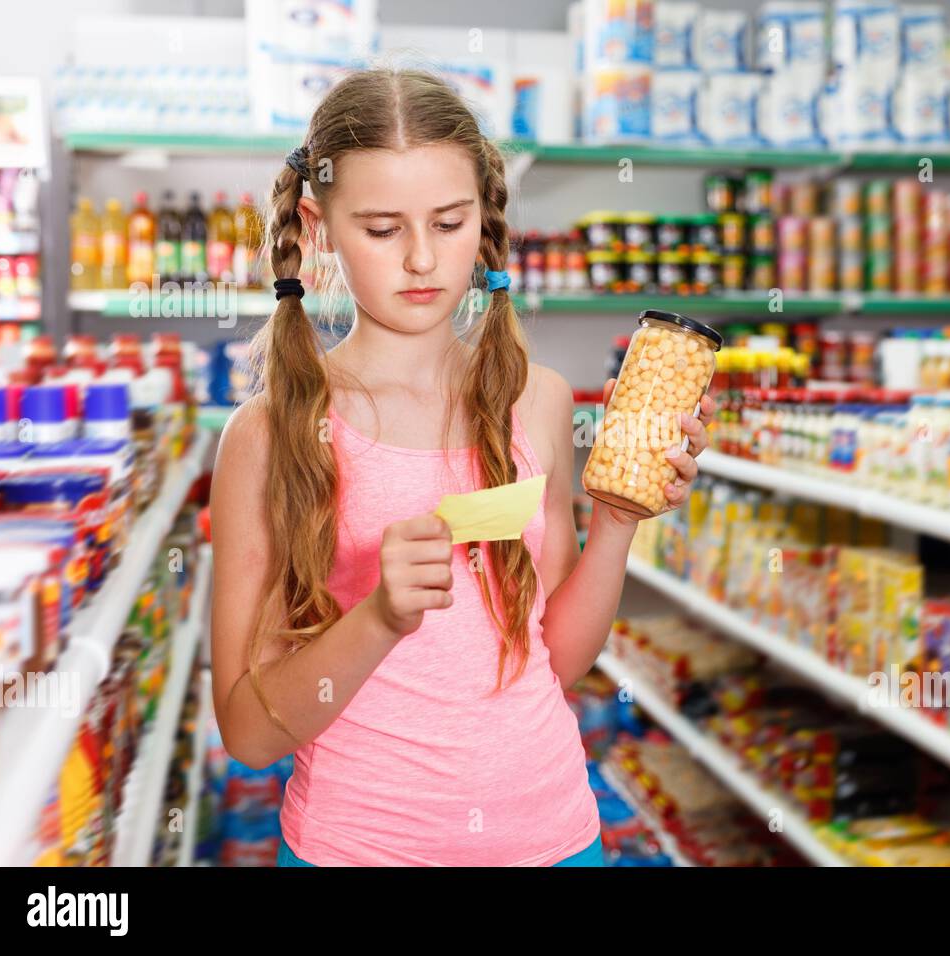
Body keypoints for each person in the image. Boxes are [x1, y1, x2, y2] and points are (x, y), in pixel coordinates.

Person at [208, 68, 714, 867]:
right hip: (361, 847)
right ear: (318, 224)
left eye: (449, 222)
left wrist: (619, 516)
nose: (420, 259)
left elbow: (559, 659)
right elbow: (246, 731)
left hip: (556, 837)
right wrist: (375, 618)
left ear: (484, 221)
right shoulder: (272, 435)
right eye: (381, 229)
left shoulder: (534, 400)